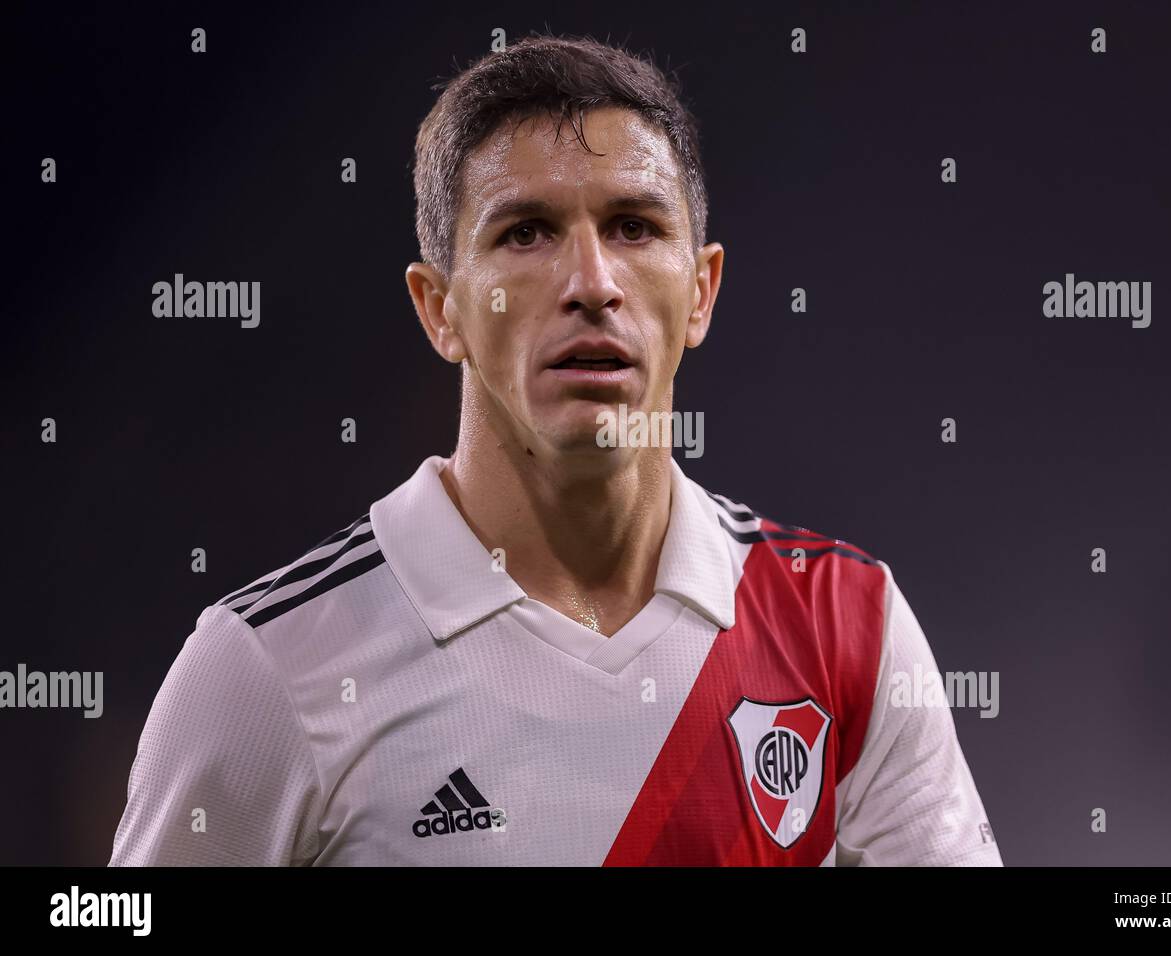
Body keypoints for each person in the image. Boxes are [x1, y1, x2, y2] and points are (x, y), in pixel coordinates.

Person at [110, 33, 1001, 866]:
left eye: (634, 227)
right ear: (440, 308)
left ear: (701, 292)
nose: (591, 284)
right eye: (525, 233)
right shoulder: (267, 668)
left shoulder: (849, 627)